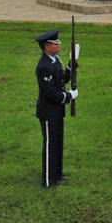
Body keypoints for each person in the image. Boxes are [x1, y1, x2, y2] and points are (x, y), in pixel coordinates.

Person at [34, 28, 78, 187]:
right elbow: (50, 92)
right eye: (55, 43)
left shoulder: (55, 60)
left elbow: (62, 80)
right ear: (47, 46)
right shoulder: (44, 66)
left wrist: (71, 66)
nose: (59, 45)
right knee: (50, 145)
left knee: (58, 143)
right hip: (48, 111)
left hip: (58, 111)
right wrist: (68, 97)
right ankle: (48, 179)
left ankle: (57, 174)